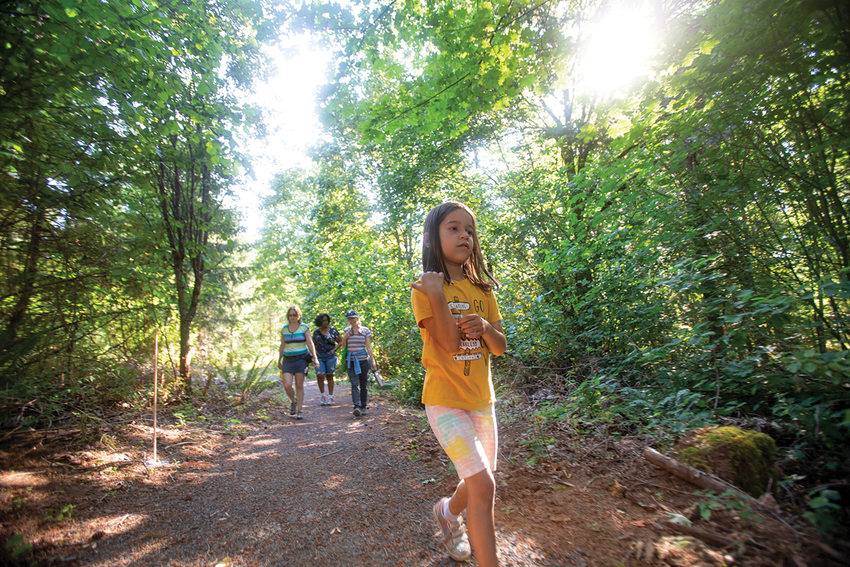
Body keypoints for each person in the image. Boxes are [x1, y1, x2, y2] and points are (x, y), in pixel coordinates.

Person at [409, 201, 506, 567]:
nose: (464, 234)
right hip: (445, 401)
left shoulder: (483, 289)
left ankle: (447, 513)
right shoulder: (424, 289)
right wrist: (436, 292)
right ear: (433, 238)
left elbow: (499, 347)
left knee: (480, 480)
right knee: (484, 486)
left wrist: (484, 328)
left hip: (482, 401)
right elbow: (448, 345)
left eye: (469, 229)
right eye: (453, 228)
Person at [278, 305, 319, 420]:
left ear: (298, 315)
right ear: (288, 316)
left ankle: (300, 410)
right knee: (287, 385)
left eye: (294, 315)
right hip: (287, 359)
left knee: (299, 385)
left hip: (301, 359)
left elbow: (310, 343)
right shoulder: (284, 329)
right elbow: (282, 345)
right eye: (290, 315)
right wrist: (279, 359)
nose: (292, 317)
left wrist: (315, 358)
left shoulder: (304, 328)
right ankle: (293, 401)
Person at [340, 308, 376, 417]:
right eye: (350, 319)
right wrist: (345, 338)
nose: (352, 320)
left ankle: (363, 406)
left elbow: (368, 347)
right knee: (354, 384)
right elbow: (343, 346)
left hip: (363, 360)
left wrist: (373, 360)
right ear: (348, 320)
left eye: (353, 318)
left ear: (357, 318)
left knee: (363, 384)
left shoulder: (365, 331)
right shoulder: (346, 331)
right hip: (351, 361)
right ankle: (356, 406)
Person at [312, 313, 341, 405]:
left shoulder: (333, 331)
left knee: (329, 376)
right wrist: (314, 352)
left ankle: (331, 397)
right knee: (320, 375)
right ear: (319, 322)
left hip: (331, 356)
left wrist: (335, 349)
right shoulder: (316, 332)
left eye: (326, 320)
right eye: (323, 320)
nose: (325, 322)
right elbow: (312, 343)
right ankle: (323, 396)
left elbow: (341, 341)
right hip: (320, 356)